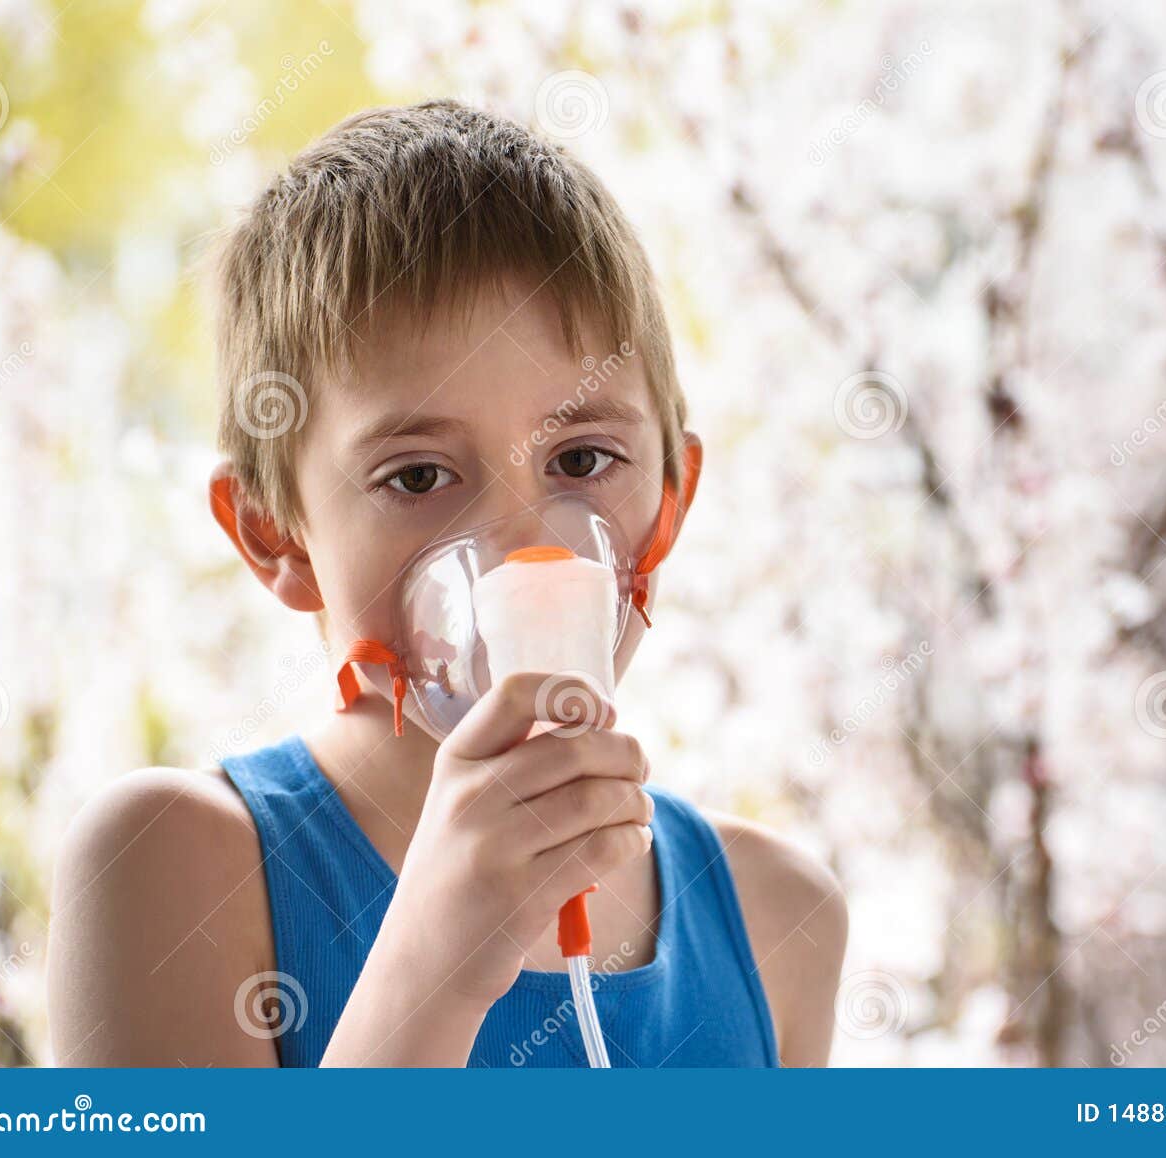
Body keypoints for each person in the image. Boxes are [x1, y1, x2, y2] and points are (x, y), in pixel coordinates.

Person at [47, 100, 846, 1067]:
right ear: (275, 538)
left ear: (671, 499)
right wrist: (436, 964)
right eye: (418, 477)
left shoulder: (777, 920)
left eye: (584, 460)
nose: (519, 552)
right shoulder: (168, 870)